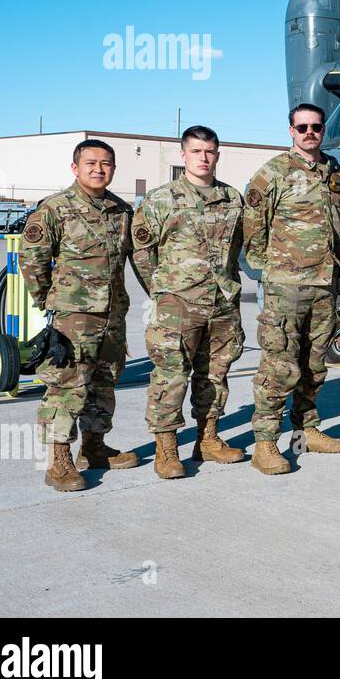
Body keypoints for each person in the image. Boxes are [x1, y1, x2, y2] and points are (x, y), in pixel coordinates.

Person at [20, 139, 138, 491]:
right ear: (75, 168)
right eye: (91, 163)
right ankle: (59, 461)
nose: (98, 169)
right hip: (74, 319)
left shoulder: (122, 211)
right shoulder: (54, 210)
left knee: (104, 382)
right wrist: (52, 300)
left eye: (106, 163)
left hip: (113, 315)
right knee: (67, 385)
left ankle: (95, 447)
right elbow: (33, 261)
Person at [132, 125, 246, 480]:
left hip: (222, 302)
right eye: (196, 151)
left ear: (218, 154)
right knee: (171, 376)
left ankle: (207, 440)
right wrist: (163, 290)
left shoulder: (232, 198)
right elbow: (141, 252)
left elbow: (238, 247)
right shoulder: (162, 199)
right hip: (177, 304)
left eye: (209, 151)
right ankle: (166, 450)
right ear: (183, 155)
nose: (203, 157)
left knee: (215, 374)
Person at [243, 103, 340, 475]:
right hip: (286, 285)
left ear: (323, 130)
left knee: (315, 364)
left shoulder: (335, 170)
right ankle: (265, 444)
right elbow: (253, 226)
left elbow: (338, 220)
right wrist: (268, 269)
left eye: (316, 126)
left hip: (325, 283)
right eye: (302, 127)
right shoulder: (273, 172)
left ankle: (306, 431)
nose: (310, 132)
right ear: (291, 131)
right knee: (279, 364)